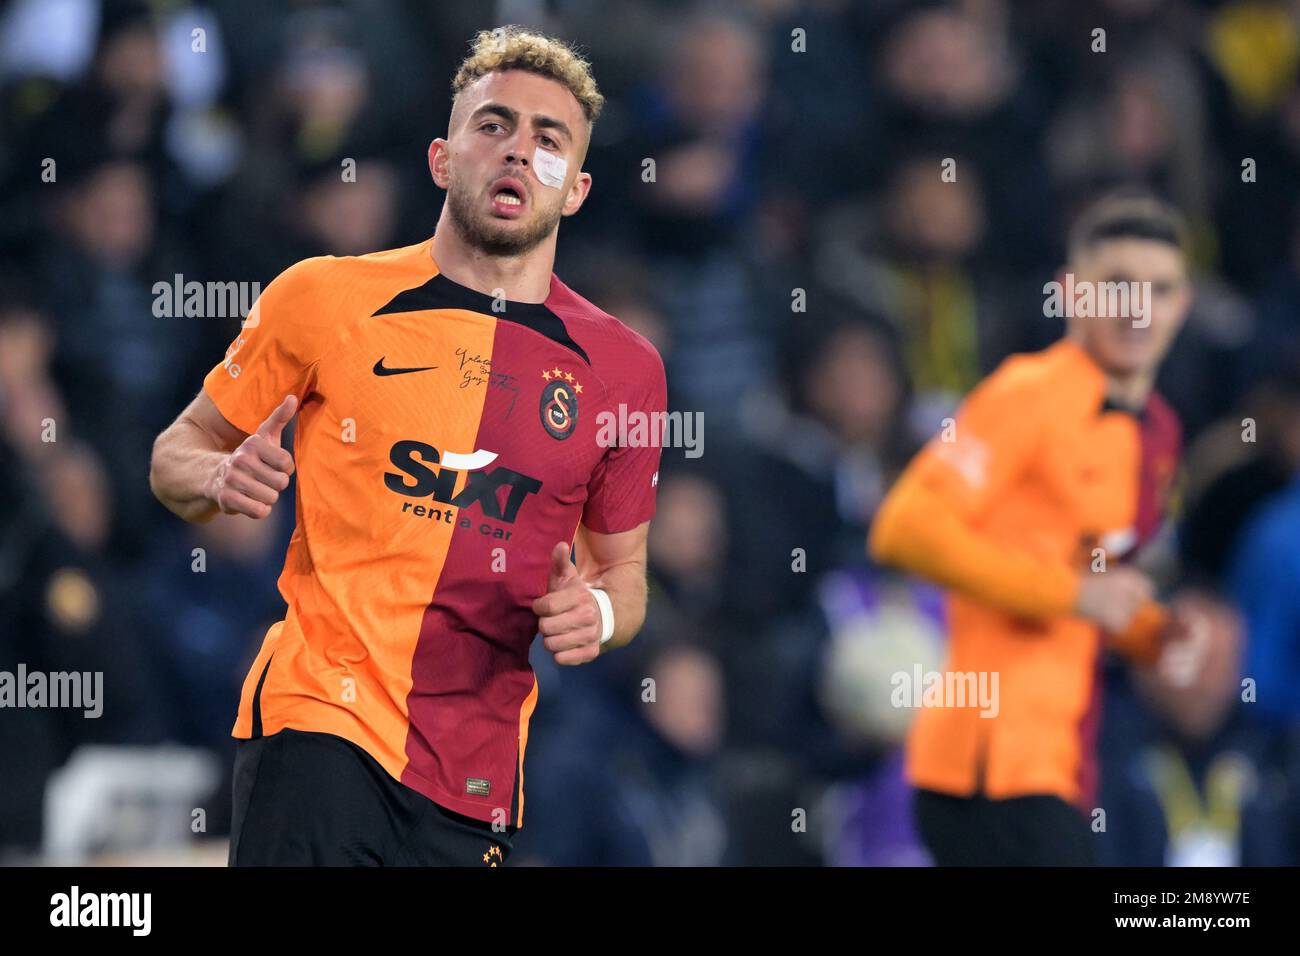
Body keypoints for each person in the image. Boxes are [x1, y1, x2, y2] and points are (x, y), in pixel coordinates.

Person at [148, 26, 667, 866]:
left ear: (575, 188)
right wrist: (219, 472)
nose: (517, 151)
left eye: (548, 139)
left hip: (476, 772)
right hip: (319, 720)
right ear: (441, 158)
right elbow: (178, 451)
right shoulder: (322, 298)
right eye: (492, 125)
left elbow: (625, 575)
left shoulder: (624, 371)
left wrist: (598, 613)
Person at [868, 192, 1196, 865]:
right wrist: (1073, 596)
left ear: (1183, 305)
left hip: (1067, 762)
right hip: (989, 766)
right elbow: (905, 527)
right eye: (1118, 287)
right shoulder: (1028, 393)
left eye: (1160, 290)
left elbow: (1093, 571)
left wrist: (1153, 635)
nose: (1139, 310)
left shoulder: (1157, 433)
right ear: (1072, 295)